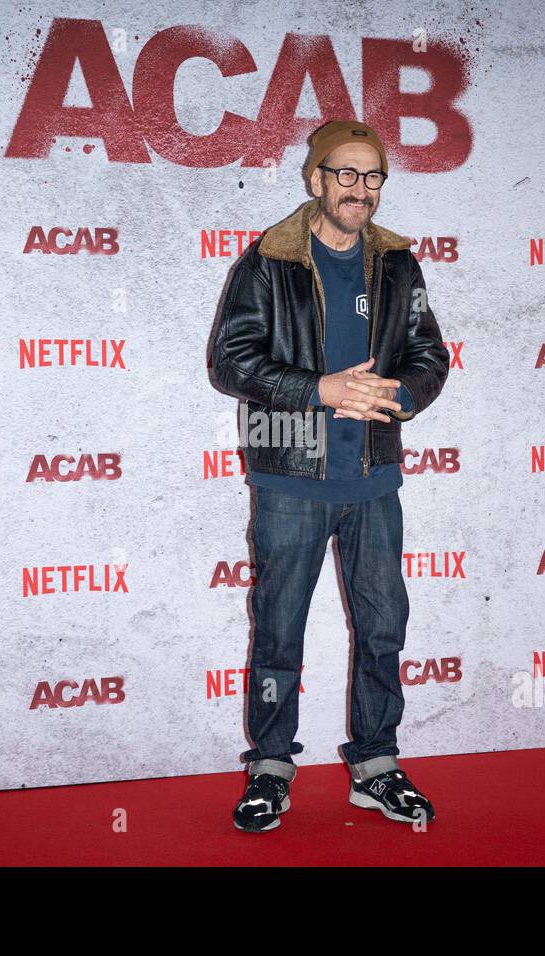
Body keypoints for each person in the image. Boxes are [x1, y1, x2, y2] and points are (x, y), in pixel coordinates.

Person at [211, 119, 451, 831]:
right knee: (279, 630)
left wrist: (400, 396)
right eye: (345, 174)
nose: (360, 189)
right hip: (289, 478)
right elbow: (232, 363)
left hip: (373, 481)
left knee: (383, 630)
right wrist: (324, 390)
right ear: (315, 179)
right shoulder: (269, 262)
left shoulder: (399, 266)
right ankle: (271, 768)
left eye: (373, 175)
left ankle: (376, 766)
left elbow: (428, 353)